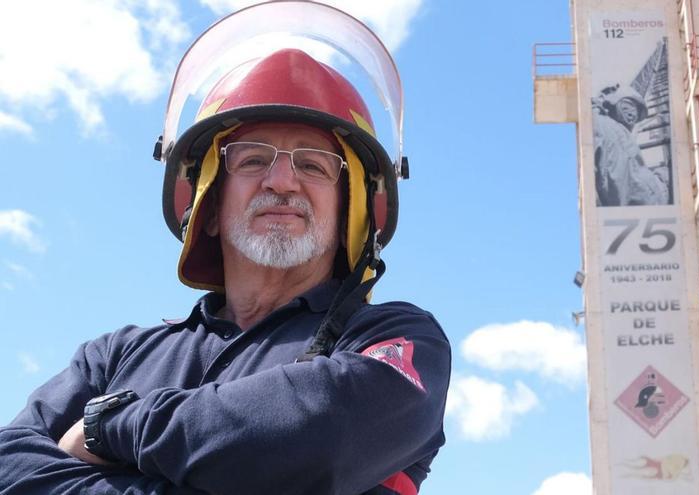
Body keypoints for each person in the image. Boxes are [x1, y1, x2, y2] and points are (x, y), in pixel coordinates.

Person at [0, 3, 450, 495]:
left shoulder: (398, 340)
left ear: (352, 212)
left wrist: (111, 426)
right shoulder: (113, 357)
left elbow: (325, 436)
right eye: (253, 160)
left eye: (315, 165)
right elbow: (9, 463)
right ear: (209, 205)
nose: (282, 181)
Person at [592, 85, 669, 207]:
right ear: (606, 98)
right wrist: (664, 180)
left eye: (637, 115)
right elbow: (639, 193)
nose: (632, 115)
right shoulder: (611, 130)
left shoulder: (599, 123)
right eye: (628, 106)